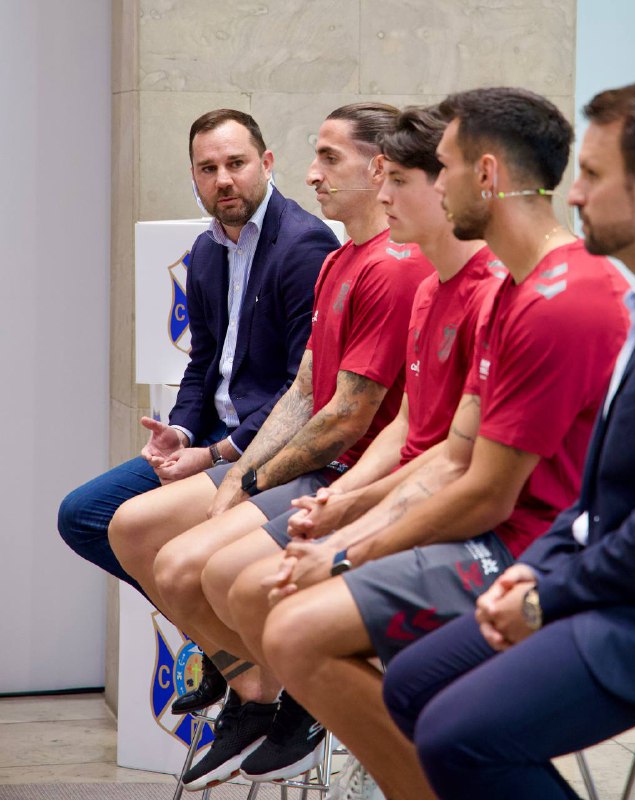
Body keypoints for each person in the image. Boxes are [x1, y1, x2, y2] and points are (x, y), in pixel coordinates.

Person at [254, 87, 630, 800]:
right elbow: (449, 455)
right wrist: (348, 518)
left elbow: (486, 494)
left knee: (295, 632)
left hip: (533, 553)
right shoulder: (509, 290)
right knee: (288, 619)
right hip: (494, 535)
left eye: (440, 166)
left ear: (485, 175)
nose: (396, 186)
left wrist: (345, 550)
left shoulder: (564, 297)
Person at [381, 78, 635, 800]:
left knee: (458, 737)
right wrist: (533, 570)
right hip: (625, 582)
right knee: (413, 684)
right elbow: (597, 495)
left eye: (593, 175)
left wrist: (549, 595)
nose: (572, 195)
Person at [108, 102, 433, 792]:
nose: (312, 175)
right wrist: (233, 472)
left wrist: (243, 475)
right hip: (318, 465)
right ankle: (255, 692)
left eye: (327, 159)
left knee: (203, 566)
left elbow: (349, 418)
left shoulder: (385, 263)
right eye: (207, 167)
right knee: (142, 543)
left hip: (346, 475)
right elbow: (304, 391)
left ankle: (297, 701)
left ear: (380, 170)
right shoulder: (343, 259)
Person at [196, 103, 506, 789]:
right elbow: (403, 429)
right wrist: (287, 487)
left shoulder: (483, 291)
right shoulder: (424, 285)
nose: (382, 191)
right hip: (393, 489)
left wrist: (347, 530)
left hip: (488, 534)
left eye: (397, 178)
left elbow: (459, 466)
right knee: (194, 562)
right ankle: (270, 701)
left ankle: (331, 722)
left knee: (271, 606)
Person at [57, 109, 338, 590]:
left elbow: (303, 389)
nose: (223, 180)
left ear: (267, 163)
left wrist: (214, 456)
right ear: (194, 177)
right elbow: (203, 360)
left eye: (236, 163)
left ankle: (221, 647)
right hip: (210, 436)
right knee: (83, 514)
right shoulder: (206, 250)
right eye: (208, 169)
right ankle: (217, 644)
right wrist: (182, 433)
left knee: (166, 546)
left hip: (269, 447)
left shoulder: (303, 246)